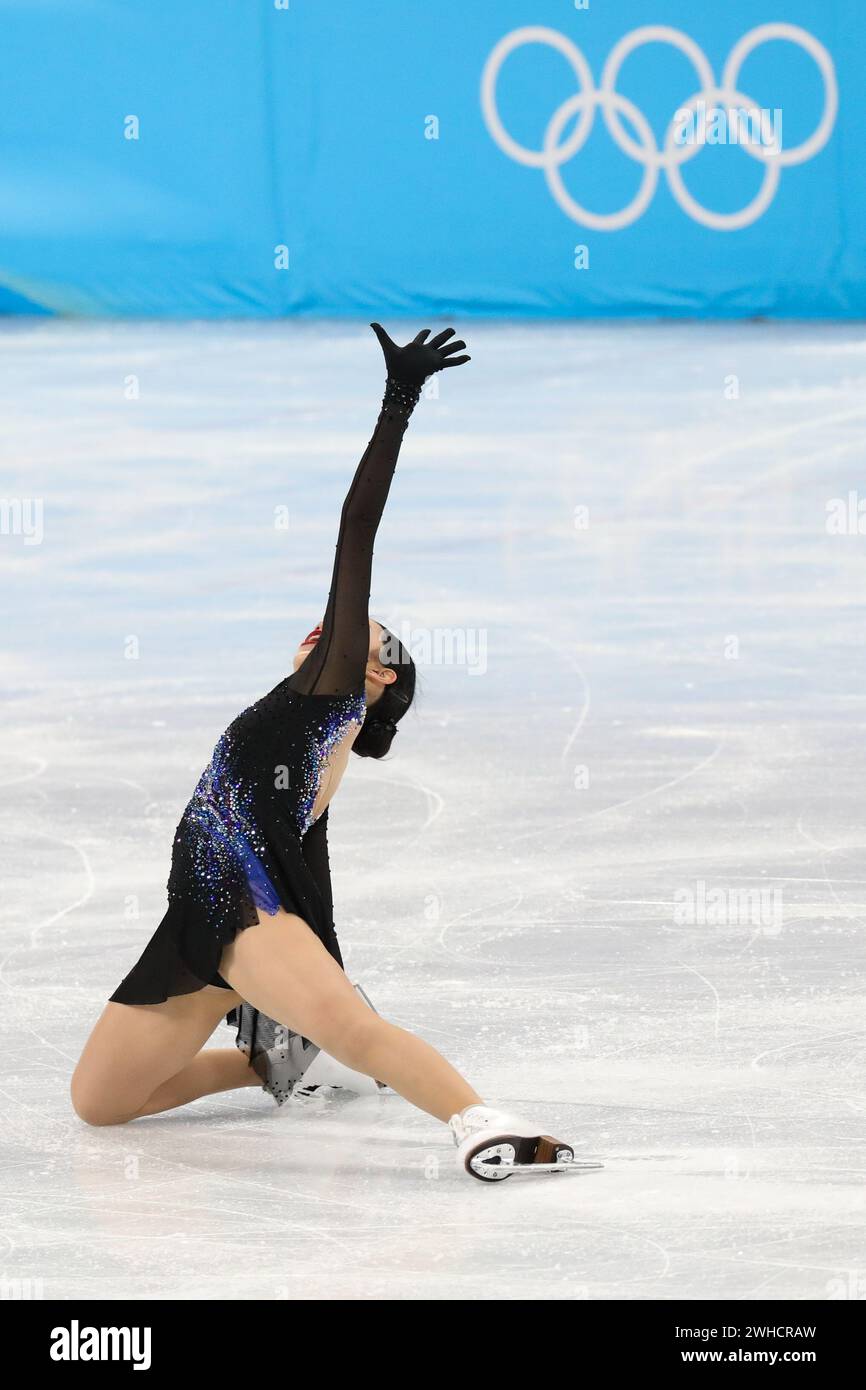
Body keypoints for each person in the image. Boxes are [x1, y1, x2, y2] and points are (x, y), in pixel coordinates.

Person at [70, 324, 582, 1181]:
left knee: (352, 1027)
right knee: (101, 1102)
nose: (340, 629)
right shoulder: (312, 716)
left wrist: (398, 402)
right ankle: (275, 1061)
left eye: (364, 634)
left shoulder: (331, 694)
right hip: (195, 917)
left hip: (246, 903)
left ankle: (490, 1124)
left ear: (376, 671)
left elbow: (356, 530)